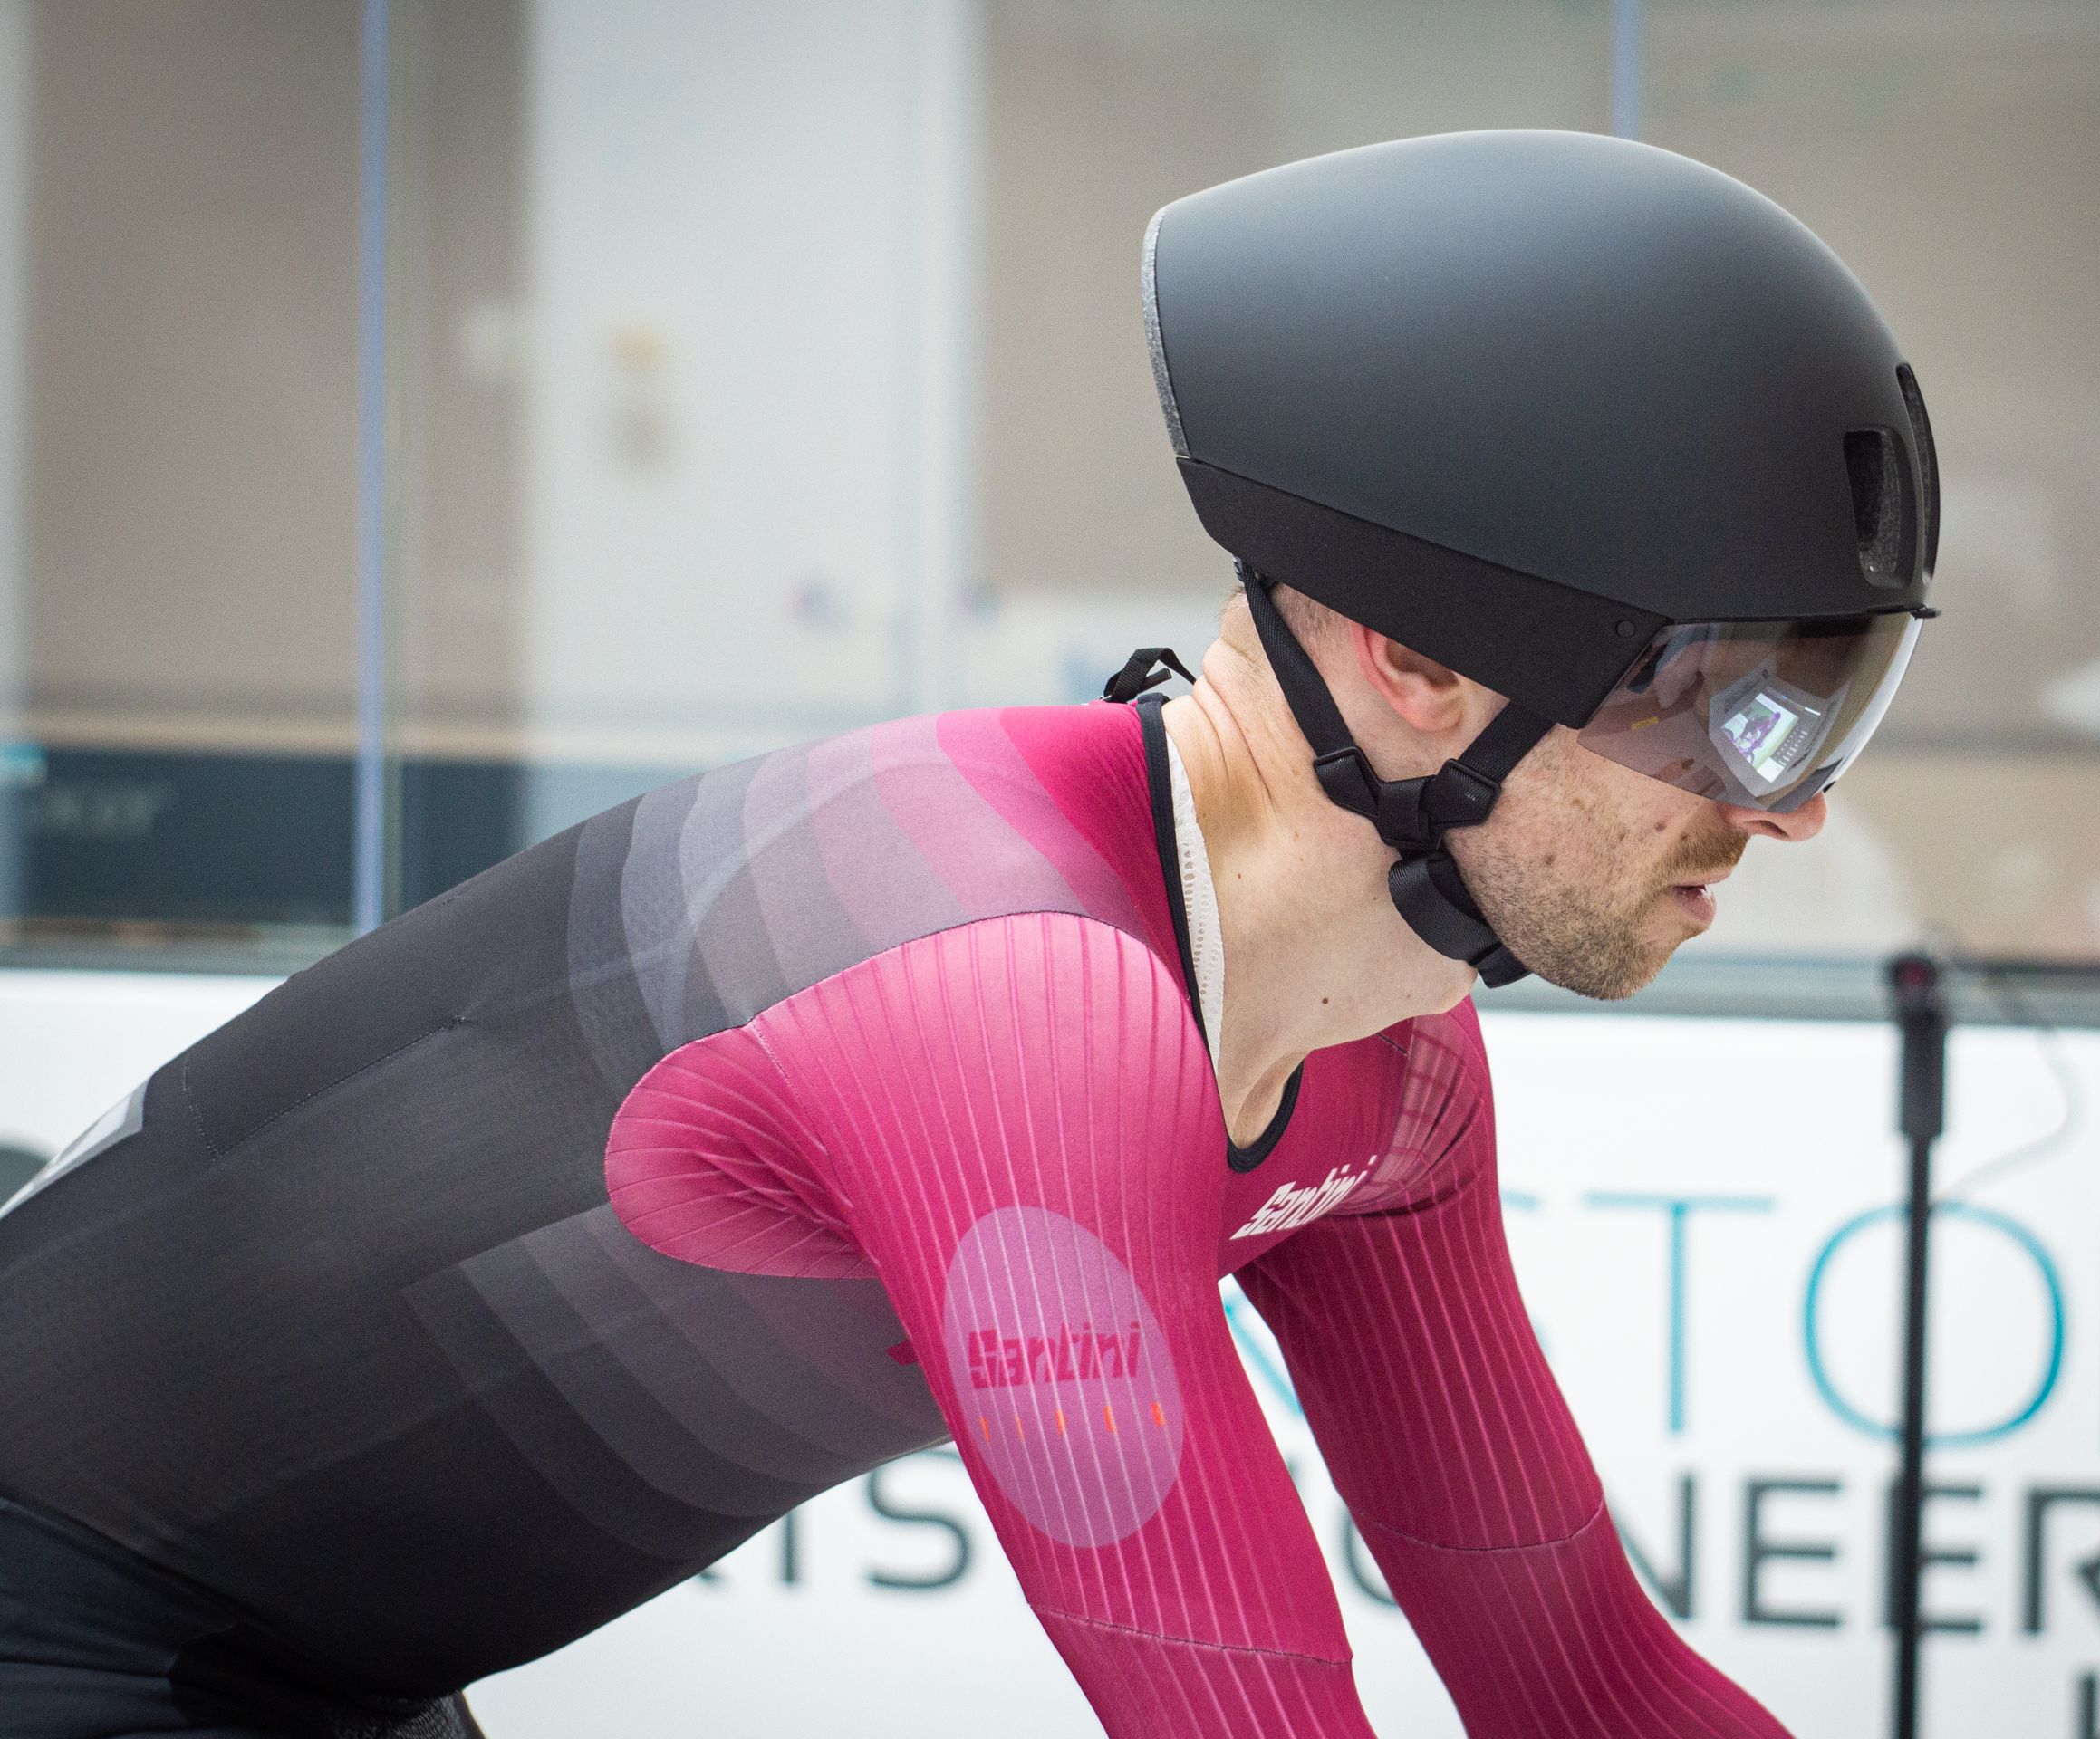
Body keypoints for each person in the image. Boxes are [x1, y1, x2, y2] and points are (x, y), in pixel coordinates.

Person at [0, 130, 1936, 1738]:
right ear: (1416, 661)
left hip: (294, 1668)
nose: (1791, 802)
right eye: (1736, 704)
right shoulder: (1007, 990)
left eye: (1836, 704)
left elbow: (1579, 1682)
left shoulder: (1389, 1065)